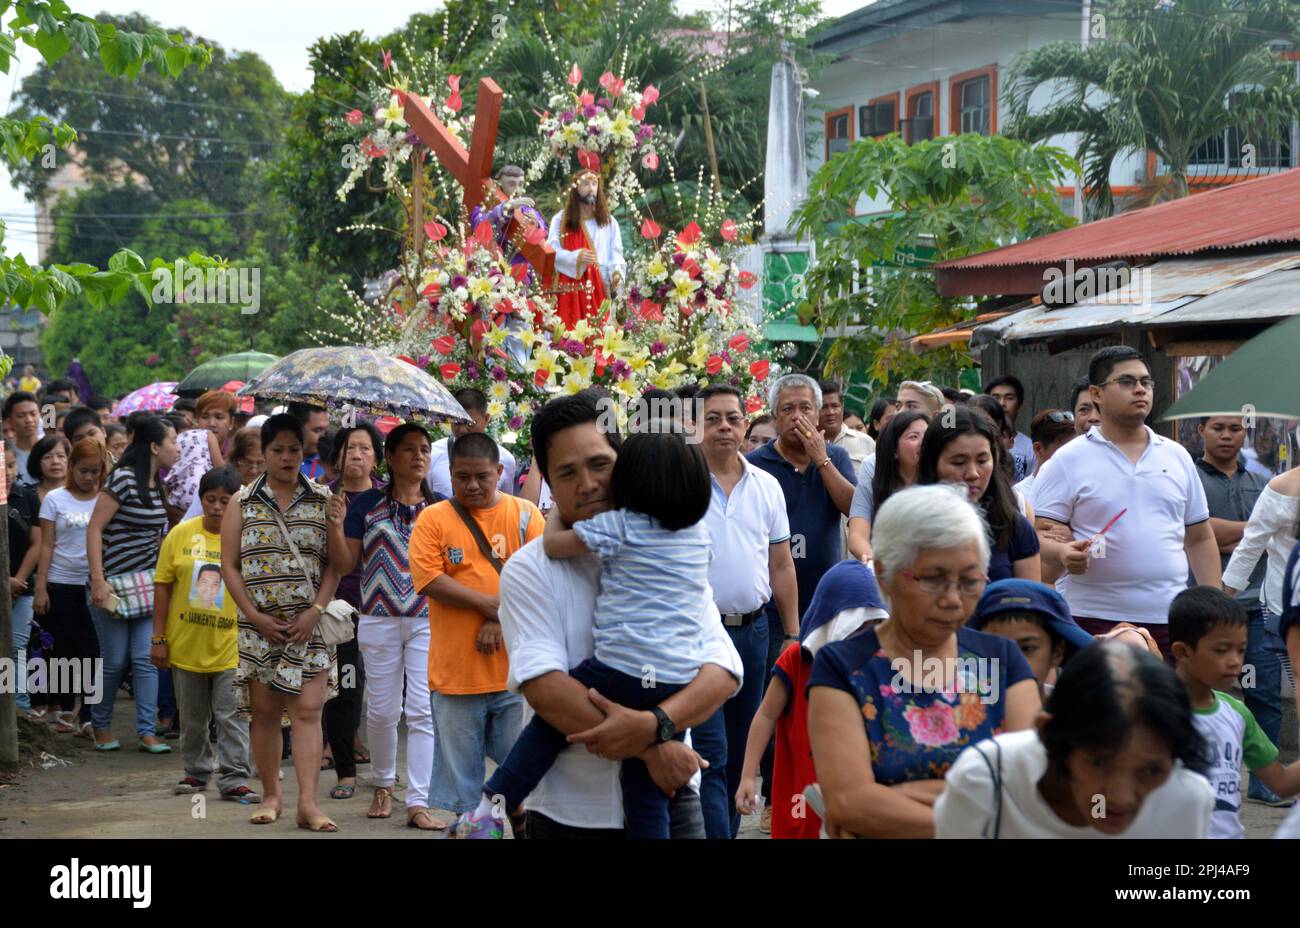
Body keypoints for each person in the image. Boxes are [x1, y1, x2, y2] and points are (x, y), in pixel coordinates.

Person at [493, 391, 742, 839]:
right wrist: (652, 747)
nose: (586, 484)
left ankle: (490, 805)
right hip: (573, 813)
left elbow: (722, 671)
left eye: (599, 464)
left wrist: (655, 725)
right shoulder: (529, 570)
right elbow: (546, 689)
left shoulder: (670, 545)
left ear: (624, 462)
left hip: (674, 797)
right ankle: (490, 809)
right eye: (566, 473)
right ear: (547, 480)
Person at [807, 485, 1041, 837]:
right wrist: (985, 816)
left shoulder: (1002, 661)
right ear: (884, 572)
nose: (952, 599)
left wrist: (891, 801)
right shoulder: (843, 668)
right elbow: (850, 803)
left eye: (969, 581)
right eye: (932, 579)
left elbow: (1030, 792)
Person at [1032, 346, 1221, 656]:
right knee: (1102, 705)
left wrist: (1214, 605)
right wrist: (1063, 552)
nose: (1139, 390)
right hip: (1092, 620)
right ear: (1096, 393)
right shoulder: (1068, 461)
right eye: (1127, 382)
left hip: (1171, 617)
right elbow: (1039, 537)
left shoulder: (1177, 456)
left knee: (1168, 704)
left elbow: (1198, 537)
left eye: (1146, 382)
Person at [934, 640, 1214, 838]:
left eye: (1152, 771)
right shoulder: (987, 779)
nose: (1120, 798)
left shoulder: (1186, 799)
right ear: (1047, 735)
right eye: (1099, 763)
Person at [407, 431, 543, 831]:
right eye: (462, 476)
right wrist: (489, 606)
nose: (472, 485)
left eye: (482, 476)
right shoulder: (433, 519)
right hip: (455, 677)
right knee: (466, 790)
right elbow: (429, 579)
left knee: (520, 767)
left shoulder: (524, 515)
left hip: (515, 676)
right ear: (450, 473)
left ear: (500, 472)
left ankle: (515, 819)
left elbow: (540, 581)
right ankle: (479, 827)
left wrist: (497, 619)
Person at [220, 413, 343, 832]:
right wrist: (254, 616)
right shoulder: (243, 500)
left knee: (308, 712)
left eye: (294, 449)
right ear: (263, 453)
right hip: (259, 627)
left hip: (308, 625)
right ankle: (271, 795)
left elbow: (336, 566)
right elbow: (229, 565)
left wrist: (316, 611)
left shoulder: (324, 499)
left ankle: (308, 804)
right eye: (278, 450)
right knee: (266, 712)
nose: (288, 457)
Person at [688, 384, 798, 838]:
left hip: (753, 633)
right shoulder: (683, 484)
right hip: (697, 636)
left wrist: (791, 633)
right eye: (713, 418)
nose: (724, 427)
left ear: (745, 424)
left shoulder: (767, 485)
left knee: (740, 748)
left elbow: (781, 563)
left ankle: (726, 831)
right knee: (710, 749)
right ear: (696, 426)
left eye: (733, 418)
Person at [746, 373, 856, 828]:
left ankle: (826, 789)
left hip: (828, 609)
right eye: (788, 409)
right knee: (774, 703)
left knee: (825, 700)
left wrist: (821, 460)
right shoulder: (755, 465)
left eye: (806, 409)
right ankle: (775, 794)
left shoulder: (839, 456)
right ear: (774, 416)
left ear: (821, 412)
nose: (797, 418)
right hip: (773, 610)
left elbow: (854, 509)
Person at [330, 423, 443, 827]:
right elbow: (345, 565)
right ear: (390, 458)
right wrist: (336, 522)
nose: (419, 457)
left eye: (425, 450)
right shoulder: (365, 506)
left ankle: (417, 801)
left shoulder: (441, 508)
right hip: (376, 618)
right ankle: (382, 783)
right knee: (380, 710)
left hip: (428, 619)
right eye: (409, 450)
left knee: (421, 712)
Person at [736, 560, 887, 839]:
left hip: (855, 798)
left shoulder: (879, 665)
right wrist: (747, 776)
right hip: (799, 797)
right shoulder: (796, 661)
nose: (864, 638)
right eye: (858, 628)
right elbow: (765, 715)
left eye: (875, 627)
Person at [150, 466, 258, 802]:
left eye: (225, 501)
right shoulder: (180, 535)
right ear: (200, 500)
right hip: (185, 644)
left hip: (232, 645)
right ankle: (196, 773)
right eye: (210, 499)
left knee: (232, 715)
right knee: (193, 718)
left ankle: (234, 777)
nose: (216, 507)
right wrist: (158, 638)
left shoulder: (247, 537)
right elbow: (163, 586)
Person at [1205, 417, 1293, 807]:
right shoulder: (1278, 487)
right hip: (1254, 606)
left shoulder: (1260, 481)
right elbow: (1241, 544)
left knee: (1266, 694)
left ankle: (1267, 781)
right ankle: (1213, 775)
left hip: (1265, 608)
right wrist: (1219, 599)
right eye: (1218, 427)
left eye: (1236, 428)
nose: (1227, 435)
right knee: (1220, 689)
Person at [1169, 587, 1300, 838]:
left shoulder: (1237, 713)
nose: (1235, 662)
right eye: (1222, 650)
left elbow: (1280, 782)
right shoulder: (1151, 711)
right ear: (1182, 652)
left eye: (1241, 650)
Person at [86, 415, 180, 753]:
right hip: (111, 588)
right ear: (155, 446)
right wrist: (98, 580)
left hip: (145, 589)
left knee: (145, 658)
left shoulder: (159, 486)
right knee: (113, 660)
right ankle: (99, 724)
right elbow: (94, 528)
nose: (177, 448)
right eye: (172, 441)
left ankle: (146, 730)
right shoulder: (123, 479)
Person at [317, 422, 383, 796]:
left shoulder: (385, 501)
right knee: (344, 686)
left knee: (379, 695)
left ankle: (376, 767)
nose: (356, 455)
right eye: (349, 448)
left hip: (379, 608)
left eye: (365, 448)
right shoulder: (321, 498)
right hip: (334, 608)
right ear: (337, 457)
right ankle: (346, 772)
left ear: (377, 457)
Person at [918, 406, 1041, 582]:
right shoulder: (910, 527)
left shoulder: (1014, 527)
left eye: (982, 461)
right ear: (932, 464)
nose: (973, 474)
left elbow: (1029, 603)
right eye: (959, 462)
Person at [967, 579, 1094, 698]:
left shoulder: (1079, 718)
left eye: (1026, 648)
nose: (1010, 662)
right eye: (996, 648)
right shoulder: (956, 716)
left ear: (1056, 653)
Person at [547, 167, 625, 327]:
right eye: (586, 184)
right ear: (576, 188)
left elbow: (616, 255)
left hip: (601, 290)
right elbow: (551, 252)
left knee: (601, 341)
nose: (591, 188)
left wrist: (617, 274)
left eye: (594, 184)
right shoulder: (560, 220)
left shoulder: (609, 222)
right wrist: (576, 257)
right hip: (571, 291)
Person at [847, 411, 928, 563]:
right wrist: (876, 564)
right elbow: (857, 536)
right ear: (894, 450)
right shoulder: (874, 474)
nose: (923, 442)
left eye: (927, 436)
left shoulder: (942, 482)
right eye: (913, 437)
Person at [6, 439, 42, 718]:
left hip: (23, 589)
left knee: (18, 646)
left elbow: (37, 543)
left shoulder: (27, 498)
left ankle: (20, 706)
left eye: (9, 465)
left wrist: (17, 580)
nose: (5, 472)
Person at [428, 388, 517, 499]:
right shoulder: (432, 454)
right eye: (456, 422)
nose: (462, 430)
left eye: (470, 423)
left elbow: (504, 504)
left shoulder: (506, 459)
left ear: (486, 419)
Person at [469, 164, 548, 281]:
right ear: (499, 184)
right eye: (511, 184)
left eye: (520, 184)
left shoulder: (528, 209)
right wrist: (505, 208)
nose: (517, 190)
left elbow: (543, 234)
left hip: (520, 276)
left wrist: (535, 225)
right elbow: (479, 225)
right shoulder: (485, 206)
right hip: (489, 272)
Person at [163, 390, 234, 514]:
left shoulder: (238, 453)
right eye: (204, 417)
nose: (211, 424)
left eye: (219, 417)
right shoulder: (183, 446)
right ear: (196, 420)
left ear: (231, 422)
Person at [181, 426, 265, 520]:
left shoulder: (271, 492)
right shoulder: (216, 484)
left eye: (260, 463)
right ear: (235, 460)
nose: (254, 470)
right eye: (247, 463)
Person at [985, 374, 1034, 480]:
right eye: (996, 398)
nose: (1002, 403)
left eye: (1009, 398)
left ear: (1019, 404)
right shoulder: (976, 442)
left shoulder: (1030, 448)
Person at [818, 379, 875, 469]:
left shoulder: (866, 442)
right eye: (824, 407)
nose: (830, 412)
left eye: (835, 406)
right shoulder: (806, 444)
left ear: (842, 406)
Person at [3, 391, 41, 486]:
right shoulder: (7, 456)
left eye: (33, 414)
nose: (29, 420)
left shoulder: (52, 449)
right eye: (21, 416)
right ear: (10, 421)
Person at [289, 402, 331, 480]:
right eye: (317, 430)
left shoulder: (330, 466)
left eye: (326, 431)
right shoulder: (274, 462)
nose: (324, 437)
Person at [27, 434, 70, 502]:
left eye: (61, 456)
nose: (55, 462)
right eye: (47, 457)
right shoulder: (27, 495)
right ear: (38, 463)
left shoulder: (79, 491)